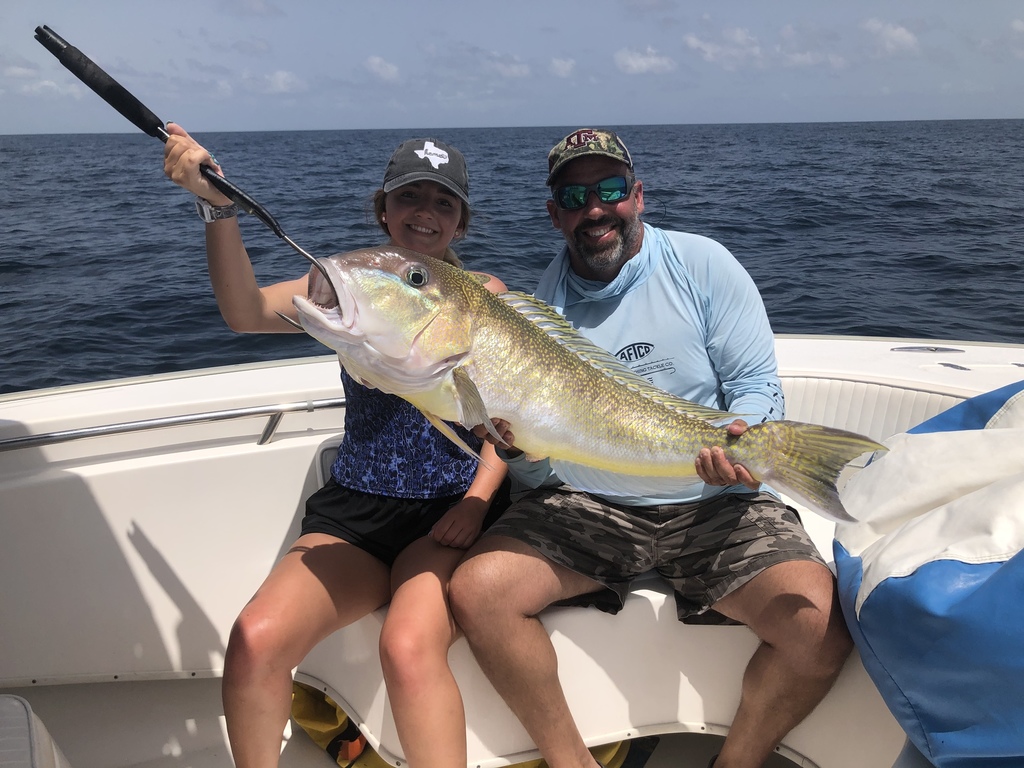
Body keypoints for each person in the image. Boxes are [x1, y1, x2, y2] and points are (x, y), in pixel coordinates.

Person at [448, 129, 854, 768]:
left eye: (610, 189)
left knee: (819, 628)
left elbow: (755, 387)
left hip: (714, 498)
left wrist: (742, 452)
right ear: (554, 213)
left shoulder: (702, 265)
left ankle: (736, 761)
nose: (595, 209)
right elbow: (537, 472)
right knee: (479, 591)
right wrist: (517, 452)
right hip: (590, 504)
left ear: (637, 195)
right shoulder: (531, 313)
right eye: (575, 195)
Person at [163, 125, 509, 768]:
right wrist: (217, 208)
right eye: (411, 198)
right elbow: (243, 312)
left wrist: (479, 500)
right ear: (384, 209)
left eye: (443, 203)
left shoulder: (480, 296)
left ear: (461, 223)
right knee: (254, 638)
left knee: (407, 649)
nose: (425, 214)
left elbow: (510, 418)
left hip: (449, 515)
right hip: (356, 511)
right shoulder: (347, 284)